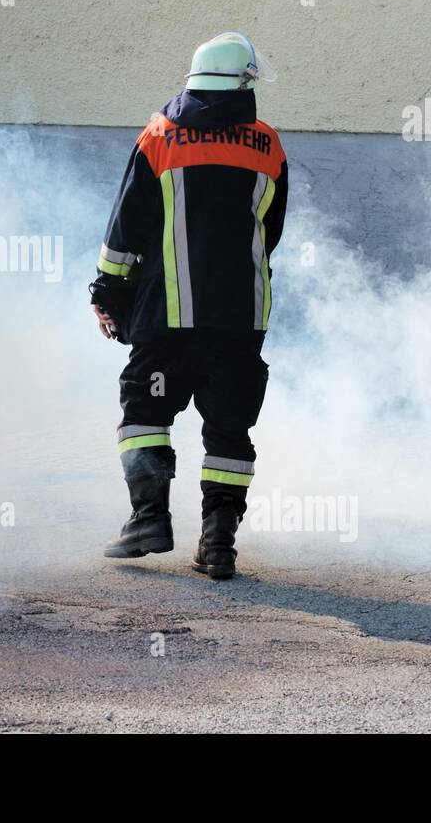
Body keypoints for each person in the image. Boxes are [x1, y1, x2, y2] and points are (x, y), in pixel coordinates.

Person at [89, 32, 288, 579]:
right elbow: (269, 234)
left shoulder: (157, 138)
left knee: (145, 414)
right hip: (240, 319)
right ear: (245, 84)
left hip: (167, 319)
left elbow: (126, 229)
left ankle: (149, 520)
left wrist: (107, 291)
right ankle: (219, 543)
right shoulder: (269, 146)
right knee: (229, 430)